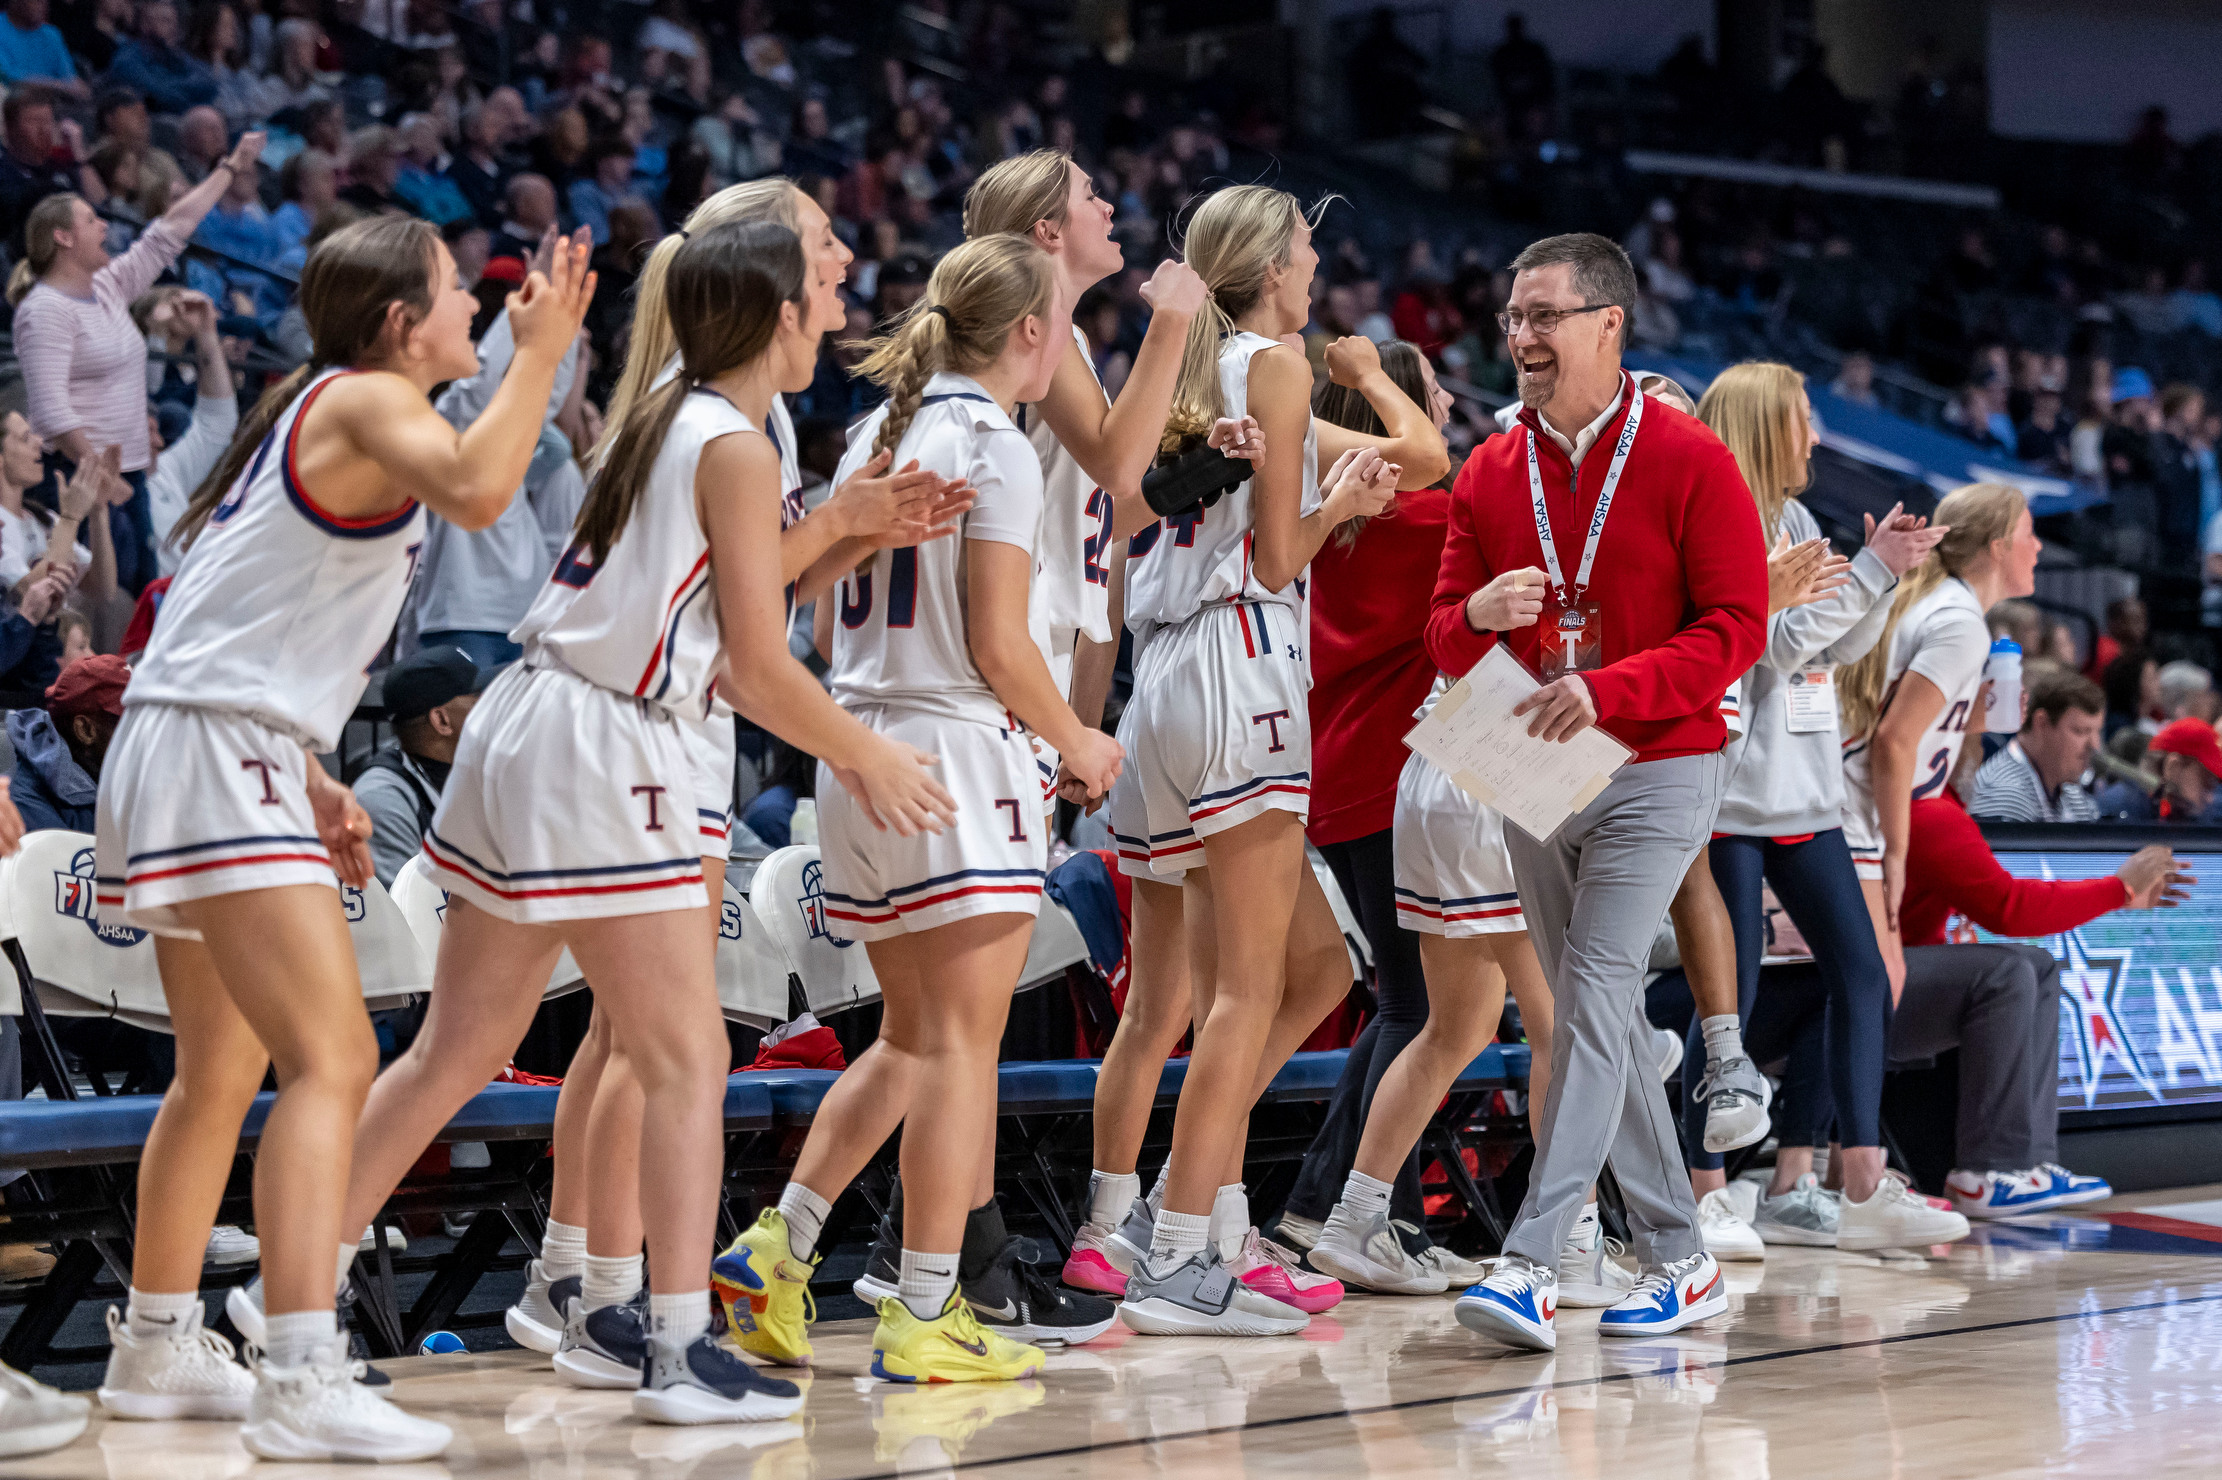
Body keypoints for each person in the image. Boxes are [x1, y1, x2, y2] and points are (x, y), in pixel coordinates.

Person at [317, 220, 948, 1422]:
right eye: (816, 289)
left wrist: (849, 524)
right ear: (772, 313)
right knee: (684, 1052)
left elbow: (716, 610)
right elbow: (756, 669)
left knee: (457, 1047)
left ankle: (298, 1292)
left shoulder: (667, 409)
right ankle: (668, 1344)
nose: (833, 306)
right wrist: (862, 750)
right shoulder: (734, 442)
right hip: (611, 736)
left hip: (526, 717)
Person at [90, 215, 591, 1460]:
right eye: (456, 299)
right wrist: (543, 351)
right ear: (397, 324)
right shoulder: (368, 401)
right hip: (209, 747)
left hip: (198, 735)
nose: (477, 311)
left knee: (220, 1072)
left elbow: (239, 615)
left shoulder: (328, 405)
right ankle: (301, 1367)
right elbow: (483, 487)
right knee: (332, 1060)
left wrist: (306, 766)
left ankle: (154, 1342)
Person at [507, 176, 969, 1380]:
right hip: (648, 731)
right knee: (647, 1040)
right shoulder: (719, 417)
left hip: (659, 723)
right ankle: (603, 1290)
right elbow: (744, 625)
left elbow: (752, 599)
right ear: (758, 277)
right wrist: (849, 533)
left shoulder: (709, 408)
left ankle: (572, 1271)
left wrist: (858, 523)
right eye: (819, 246)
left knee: (625, 1036)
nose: (839, 267)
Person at [719, 231, 1117, 1383]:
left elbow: (805, 597)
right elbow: (999, 642)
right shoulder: (993, 440)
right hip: (952, 749)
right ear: (1031, 332)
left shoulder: (875, 433)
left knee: (905, 1038)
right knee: (959, 1055)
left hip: (859, 752)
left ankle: (778, 1246)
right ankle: (927, 1307)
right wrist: (1077, 736)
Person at [843, 150, 1216, 1340]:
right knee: (959, 1025)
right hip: (983, 689)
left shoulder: (986, 386)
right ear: (1048, 235)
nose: (1114, 207)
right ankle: (951, 1261)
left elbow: (1118, 497)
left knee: (943, 1026)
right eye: (1095, 195)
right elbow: (1112, 463)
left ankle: (916, 1247)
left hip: (978, 684)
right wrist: (1171, 326)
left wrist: (1200, 468)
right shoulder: (1026, 375)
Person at [1111, 184, 1435, 1339]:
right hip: (1240, 660)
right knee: (1241, 993)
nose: (1315, 266)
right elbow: (1284, 553)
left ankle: (1196, 1214)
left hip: (1160, 675)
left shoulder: (1187, 369)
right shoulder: (1277, 366)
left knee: (1304, 970)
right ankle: (1177, 1251)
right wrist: (1343, 495)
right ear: (1262, 267)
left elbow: (1422, 451)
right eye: (1304, 249)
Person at [1432, 232, 1763, 1353]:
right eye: (1511, 319)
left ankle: (1530, 1256)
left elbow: (1735, 628)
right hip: (1532, 761)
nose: (1519, 337)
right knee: (1592, 1010)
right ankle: (1678, 1257)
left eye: (1542, 316)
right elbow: (1435, 634)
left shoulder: (1686, 456)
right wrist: (1474, 620)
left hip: (1659, 759)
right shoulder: (1484, 470)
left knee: (1596, 984)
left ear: (1606, 322)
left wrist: (1609, 687)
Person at [1293, 339, 1551, 1297]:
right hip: (1399, 770)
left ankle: (1344, 1207)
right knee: (1421, 1010)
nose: (1444, 400)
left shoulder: (1337, 517)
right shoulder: (1423, 516)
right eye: (1430, 387)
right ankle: (1349, 1211)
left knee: (1416, 1008)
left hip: (1344, 771)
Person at [1691, 360, 1945, 1258]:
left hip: (1803, 794)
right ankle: (1704, 1192)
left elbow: (1822, 645)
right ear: (1766, 426)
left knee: (1863, 973)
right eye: (1802, 419)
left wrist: (1880, 581)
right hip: (1728, 795)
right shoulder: (1714, 515)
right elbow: (1756, 651)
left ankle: (1865, 1180)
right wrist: (1867, 577)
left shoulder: (1795, 520)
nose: (1816, 437)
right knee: (1732, 997)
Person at [1897, 787, 2186, 1216]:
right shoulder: (1926, 809)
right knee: (2005, 972)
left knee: (2036, 965)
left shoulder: (1937, 802)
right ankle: (1986, 1172)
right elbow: (2011, 908)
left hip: (1884, 974)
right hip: (1836, 986)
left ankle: (2027, 1164)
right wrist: (2117, 890)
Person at [10, 129, 267, 597]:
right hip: (80, 482)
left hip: (126, 477)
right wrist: (100, 478)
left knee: (140, 607)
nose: (105, 226)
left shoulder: (107, 287)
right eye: (92, 220)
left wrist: (229, 168)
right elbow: (50, 410)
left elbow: (168, 232)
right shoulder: (45, 309)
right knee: (97, 610)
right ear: (63, 236)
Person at [353, 647, 488, 886]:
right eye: (480, 698)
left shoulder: (480, 774)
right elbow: (406, 912)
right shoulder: (381, 799)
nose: (494, 707)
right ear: (442, 720)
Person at [145, 290, 242, 576]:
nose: (158, 441)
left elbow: (218, 421)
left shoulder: (165, 470)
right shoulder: (101, 490)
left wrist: (206, 334)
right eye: (148, 431)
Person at [1969, 664, 2105, 822]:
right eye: (2080, 731)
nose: (2094, 746)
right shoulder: (2003, 797)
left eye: (2098, 732)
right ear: (2041, 723)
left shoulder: (2070, 792)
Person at [8, 652, 127, 831]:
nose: (142, 736)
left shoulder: (123, 772)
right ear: (85, 730)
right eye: (128, 725)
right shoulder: (25, 803)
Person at [2097, 717, 2222, 822]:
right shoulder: (2119, 812)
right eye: (2206, 783)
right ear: (2174, 768)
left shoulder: (2183, 817)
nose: (2211, 797)